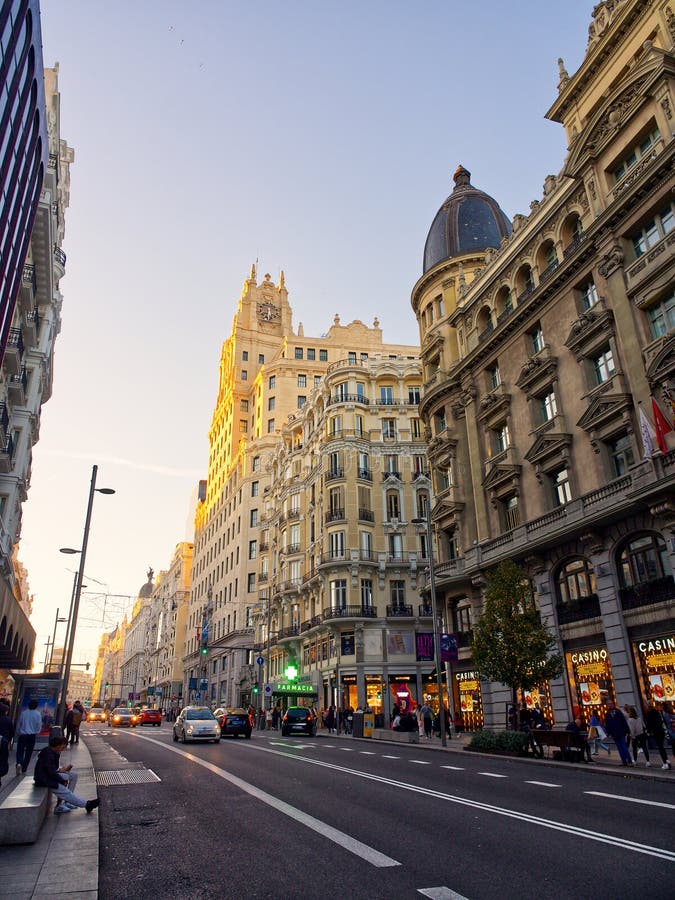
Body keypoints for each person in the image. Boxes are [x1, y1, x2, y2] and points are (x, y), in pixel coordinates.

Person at [34, 735, 100, 814]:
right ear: (57, 746)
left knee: (73, 776)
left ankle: (67, 802)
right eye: (62, 747)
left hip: (47, 776)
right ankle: (87, 804)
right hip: (44, 779)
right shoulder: (48, 754)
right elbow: (51, 772)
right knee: (64, 791)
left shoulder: (52, 752)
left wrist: (61, 770)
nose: (63, 749)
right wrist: (62, 781)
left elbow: (53, 769)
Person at [15, 698, 43, 775]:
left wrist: (18, 732)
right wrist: (37, 732)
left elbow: (19, 724)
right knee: (29, 752)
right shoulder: (38, 714)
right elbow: (39, 725)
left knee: (20, 750)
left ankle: (19, 763)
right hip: (32, 735)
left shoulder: (23, 713)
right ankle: (24, 768)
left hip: (23, 735)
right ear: (36, 706)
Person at [644, 703, 671, 770]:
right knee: (662, 746)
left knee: (660, 747)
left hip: (656, 732)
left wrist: (648, 732)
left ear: (648, 707)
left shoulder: (648, 714)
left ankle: (665, 763)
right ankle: (667, 760)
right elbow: (662, 721)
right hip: (661, 731)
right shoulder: (657, 712)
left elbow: (648, 724)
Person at [605, 701, 633, 766]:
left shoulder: (617, 712)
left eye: (611, 704)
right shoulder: (608, 713)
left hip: (620, 732)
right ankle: (624, 761)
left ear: (613, 704)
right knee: (620, 748)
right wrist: (608, 732)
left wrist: (627, 731)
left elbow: (623, 721)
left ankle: (629, 761)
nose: (610, 705)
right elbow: (608, 724)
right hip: (615, 733)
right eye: (608, 704)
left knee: (624, 747)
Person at [0, 699, 14, 787]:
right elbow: (12, 731)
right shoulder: (7, 720)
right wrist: (9, 741)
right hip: (3, 742)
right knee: (2, 760)